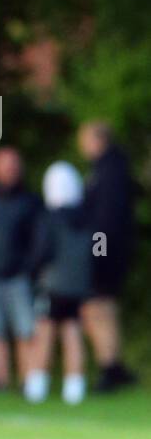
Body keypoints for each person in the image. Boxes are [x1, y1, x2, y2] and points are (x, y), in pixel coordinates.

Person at [25, 162, 94, 405]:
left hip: (52, 284)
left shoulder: (50, 218)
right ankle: (74, 388)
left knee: (44, 333)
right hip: (78, 285)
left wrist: (32, 271)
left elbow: (42, 251)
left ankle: (36, 387)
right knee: (72, 333)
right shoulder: (86, 218)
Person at [77, 121, 138, 392]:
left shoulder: (109, 170)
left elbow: (106, 220)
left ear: (98, 140)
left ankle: (110, 367)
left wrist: (97, 253)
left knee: (97, 304)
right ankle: (111, 365)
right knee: (102, 305)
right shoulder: (109, 168)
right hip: (110, 247)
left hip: (106, 250)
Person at [0, 147, 43, 391]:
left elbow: (39, 240)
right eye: (5, 164)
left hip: (18, 277)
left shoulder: (30, 202)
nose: (10, 169)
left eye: (14, 164)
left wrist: (29, 267)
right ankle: (1, 382)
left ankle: (28, 382)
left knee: (25, 331)